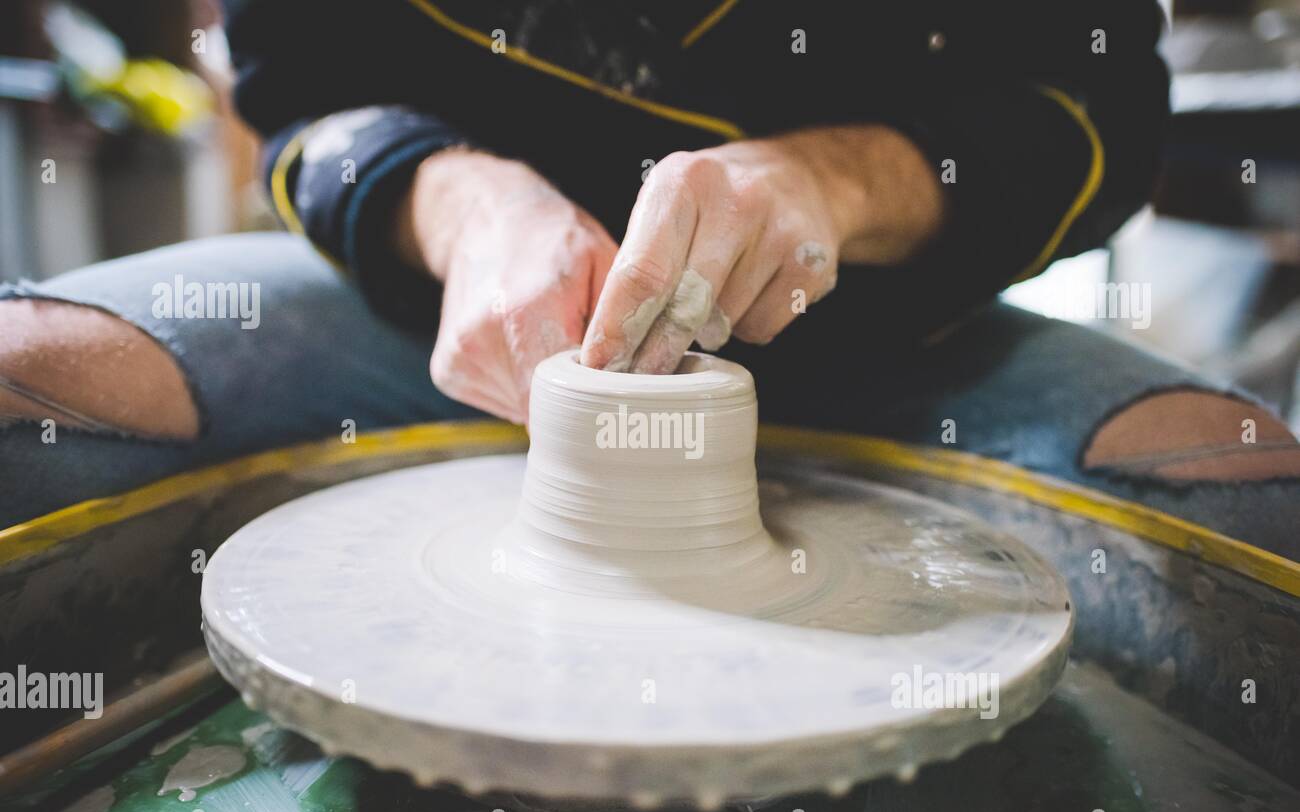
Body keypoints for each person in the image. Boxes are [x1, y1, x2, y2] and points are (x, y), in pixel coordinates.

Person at [2, 0, 1297, 558]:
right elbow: (290, 74)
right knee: (25, 391)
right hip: (450, 318)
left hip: (893, 344)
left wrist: (841, 180)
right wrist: (453, 198)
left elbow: (1109, 98)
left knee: (1250, 495)